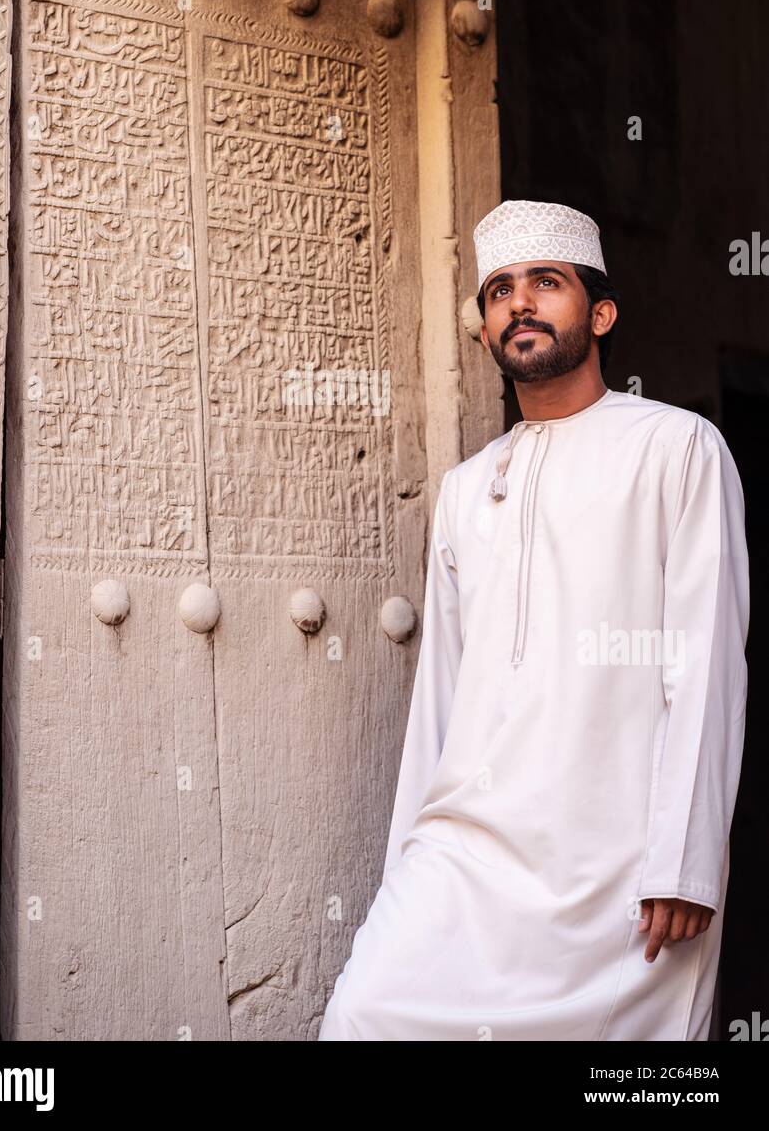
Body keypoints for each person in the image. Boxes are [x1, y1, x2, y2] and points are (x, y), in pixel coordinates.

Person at [318, 198, 749, 1041]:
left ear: (600, 311)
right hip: (465, 855)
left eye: (545, 283)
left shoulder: (677, 448)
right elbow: (441, 691)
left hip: (619, 861)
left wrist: (686, 858)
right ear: (482, 329)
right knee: (363, 1016)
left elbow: (704, 663)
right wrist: (409, 858)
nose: (519, 303)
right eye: (499, 291)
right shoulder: (466, 488)